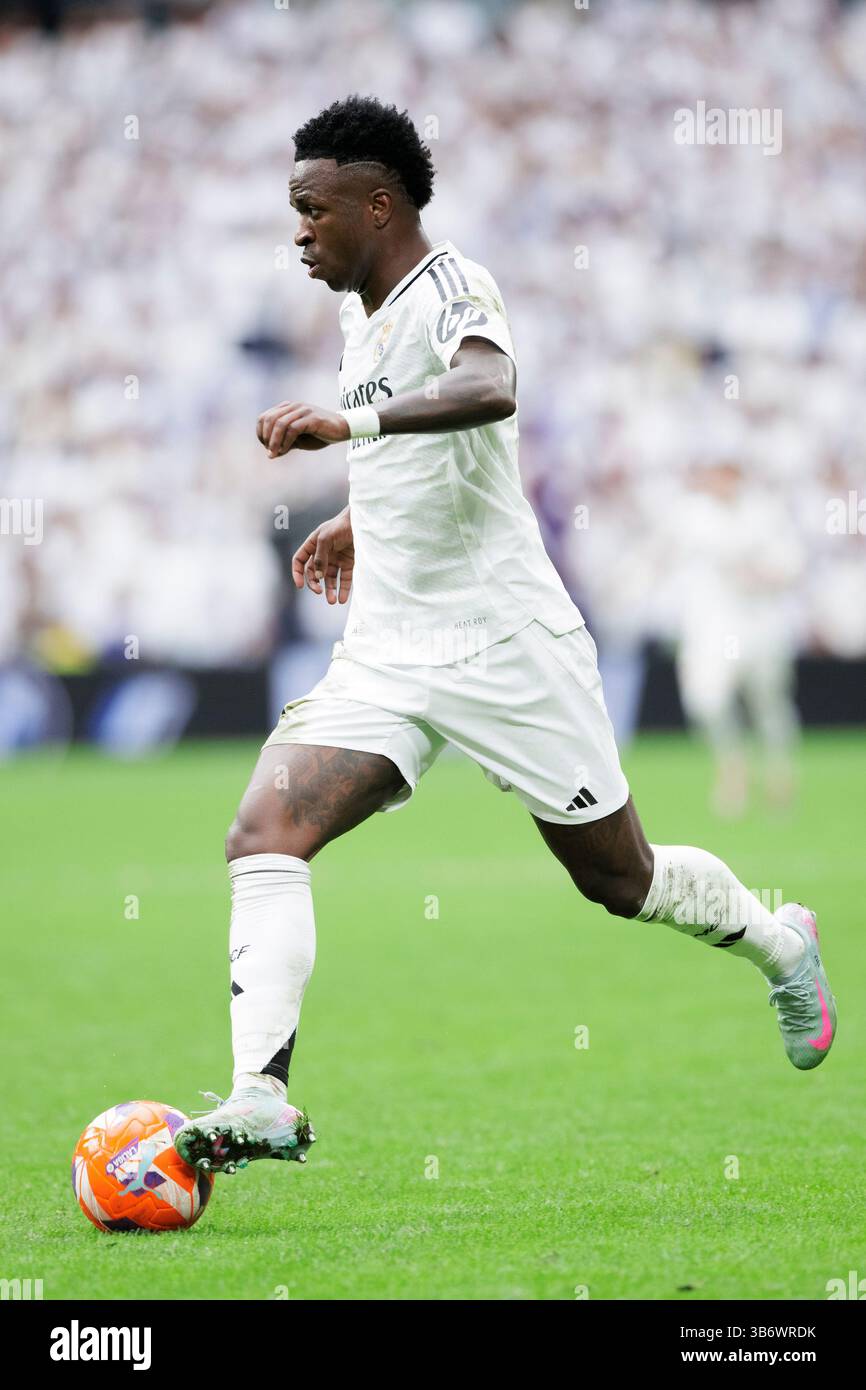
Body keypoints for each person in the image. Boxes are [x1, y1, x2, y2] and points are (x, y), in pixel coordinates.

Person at [175, 97, 836, 1177]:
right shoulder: (358, 311)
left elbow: (488, 389)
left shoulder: (455, 287)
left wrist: (350, 426)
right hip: (390, 648)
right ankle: (259, 1096)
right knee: (262, 836)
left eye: (312, 210)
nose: (295, 230)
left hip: (503, 644)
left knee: (618, 881)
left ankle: (778, 942)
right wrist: (359, 507)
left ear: (376, 205)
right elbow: (409, 437)